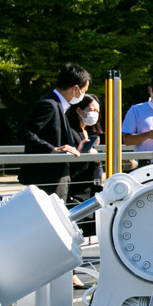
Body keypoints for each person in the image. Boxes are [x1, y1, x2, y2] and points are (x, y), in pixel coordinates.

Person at [19, 63, 90, 198]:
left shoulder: (56, 104)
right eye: (84, 91)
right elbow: (25, 132)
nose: (83, 95)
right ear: (75, 89)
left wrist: (75, 147)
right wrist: (51, 149)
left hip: (53, 174)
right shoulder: (49, 104)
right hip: (48, 176)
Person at [66, 93, 106, 237]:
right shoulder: (70, 131)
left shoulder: (88, 132)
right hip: (77, 186)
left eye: (97, 111)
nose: (94, 114)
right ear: (79, 110)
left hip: (90, 184)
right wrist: (83, 151)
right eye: (91, 109)